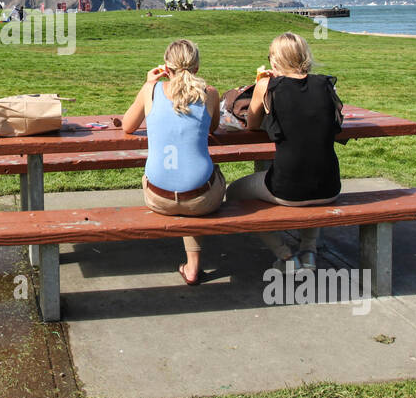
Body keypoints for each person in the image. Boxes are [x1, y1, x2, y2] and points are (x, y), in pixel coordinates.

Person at [226, 32, 343, 273]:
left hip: (287, 188)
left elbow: (252, 124)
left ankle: (285, 255)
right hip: (330, 186)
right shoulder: (324, 84)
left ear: (275, 60)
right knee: (311, 179)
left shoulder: (268, 86)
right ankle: (309, 251)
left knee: (234, 193)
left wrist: (263, 87)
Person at [121, 39, 223, 286]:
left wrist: (149, 83)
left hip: (159, 197)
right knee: (203, 181)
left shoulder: (151, 91)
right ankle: (194, 265)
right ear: (197, 67)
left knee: (182, 179)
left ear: (166, 67)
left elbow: (127, 126)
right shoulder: (209, 94)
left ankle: (191, 266)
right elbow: (215, 126)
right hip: (202, 199)